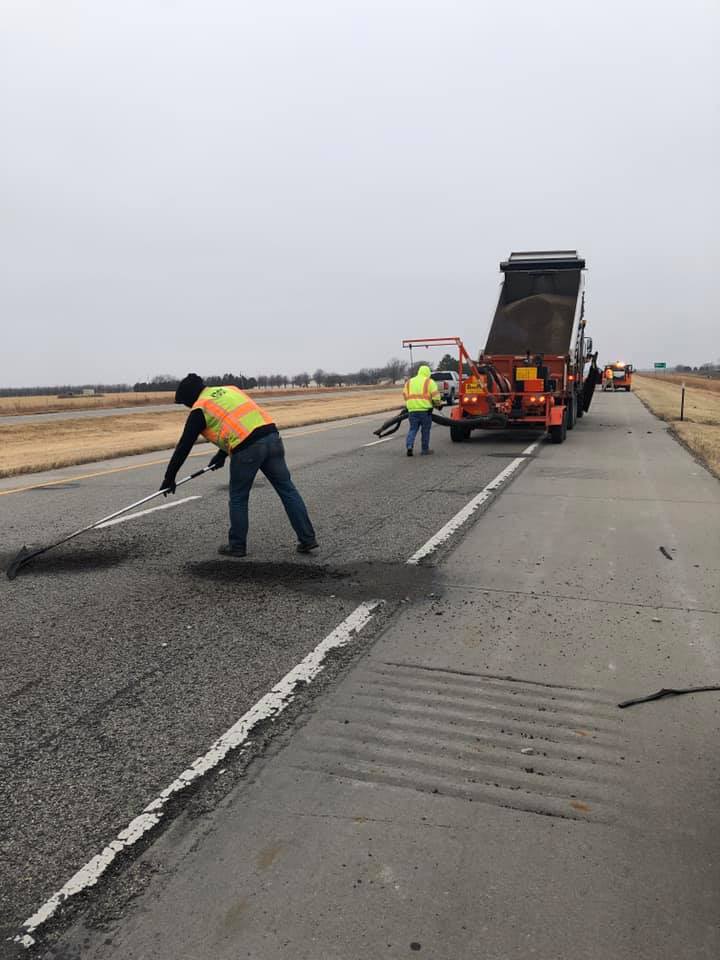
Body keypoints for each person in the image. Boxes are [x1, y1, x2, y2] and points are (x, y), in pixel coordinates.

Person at [160, 374, 318, 557]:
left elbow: (184, 446)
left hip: (247, 449)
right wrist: (222, 454)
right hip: (272, 437)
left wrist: (169, 478)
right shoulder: (230, 390)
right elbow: (237, 422)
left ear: (189, 397)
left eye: (185, 403)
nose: (187, 407)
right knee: (287, 490)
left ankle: (237, 545)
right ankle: (307, 539)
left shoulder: (200, 408)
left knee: (238, 497)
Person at [402, 364, 442, 456]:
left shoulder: (409, 382)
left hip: (412, 411)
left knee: (413, 429)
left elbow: (404, 395)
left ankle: (409, 446)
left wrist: (411, 403)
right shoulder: (429, 382)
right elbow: (436, 396)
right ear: (427, 373)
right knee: (425, 430)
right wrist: (438, 404)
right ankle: (425, 450)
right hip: (425, 411)